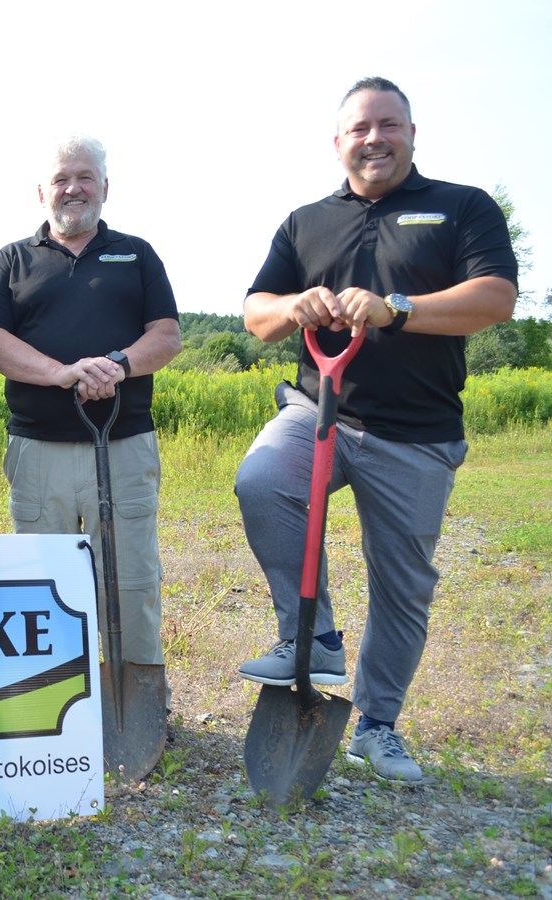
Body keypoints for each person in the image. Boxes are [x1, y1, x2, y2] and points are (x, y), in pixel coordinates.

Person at [234, 77, 517, 783]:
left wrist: (396, 307)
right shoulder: (304, 222)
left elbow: (495, 300)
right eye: (359, 129)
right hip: (317, 408)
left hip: (415, 432)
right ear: (337, 143)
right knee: (263, 480)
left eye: (388, 125)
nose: (373, 138)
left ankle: (377, 725)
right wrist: (293, 305)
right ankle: (313, 637)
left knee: (401, 584)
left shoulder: (460, 208)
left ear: (411, 133)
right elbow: (254, 313)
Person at [0, 135, 181, 700]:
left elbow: (165, 336)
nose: (74, 188)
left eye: (86, 177)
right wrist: (62, 373)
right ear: (42, 191)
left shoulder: (136, 254)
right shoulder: (11, 261)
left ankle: (137, 703)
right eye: (63, 179)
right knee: (41, 584)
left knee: (131, 578)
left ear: (105, 188)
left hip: (123, 445)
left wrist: (117, 365)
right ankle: (51, 701)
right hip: (38, 450)